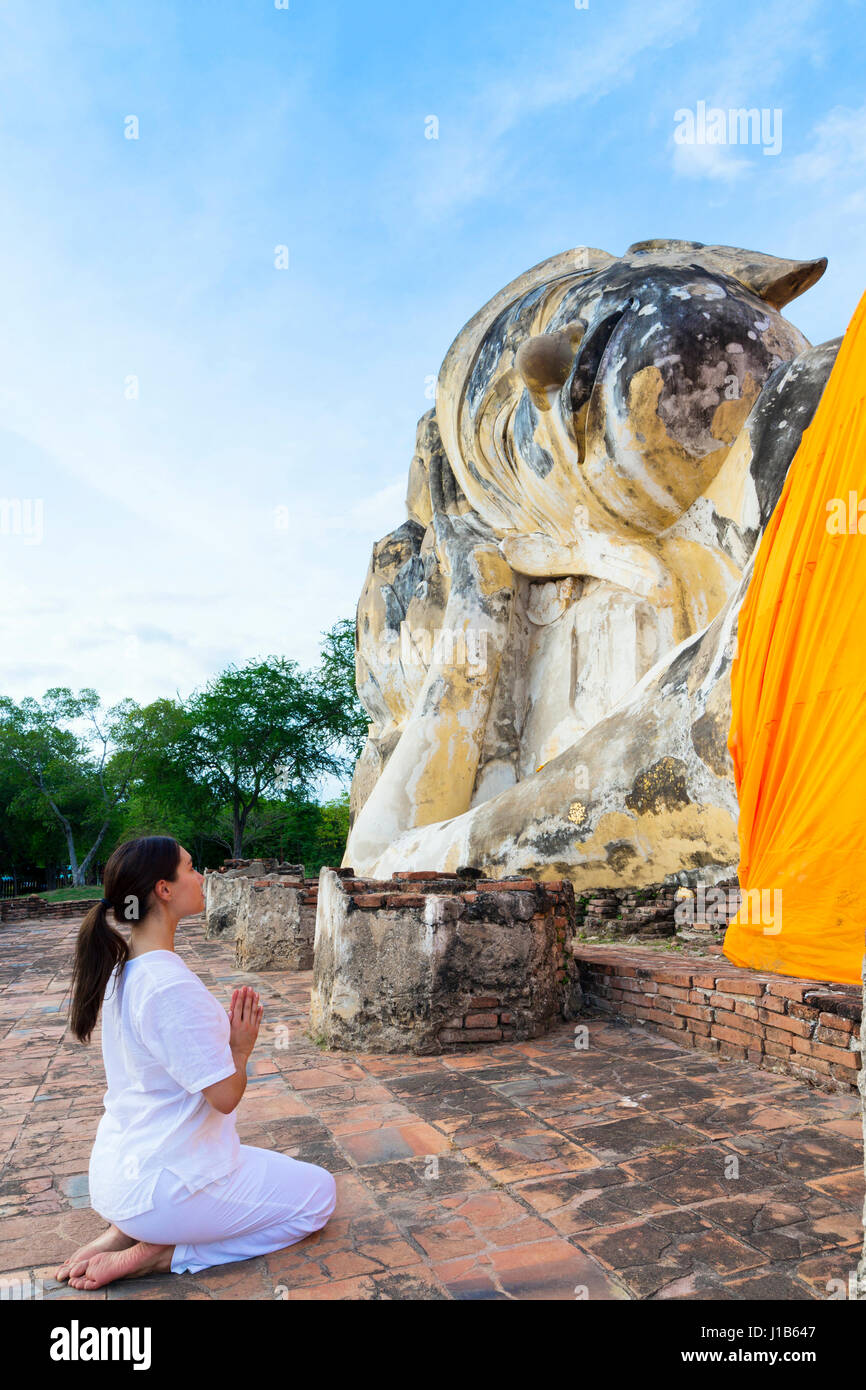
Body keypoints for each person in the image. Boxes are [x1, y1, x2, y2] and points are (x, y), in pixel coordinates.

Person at [55, 835, 337, 1290]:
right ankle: (161, 1254)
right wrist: (240, 1049)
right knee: (318, 1196)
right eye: (190, 868)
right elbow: (224, 1097)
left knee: (258, 1163)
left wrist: (218, 1042)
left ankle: (124, 1233)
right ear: (164, 889)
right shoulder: (167, 985)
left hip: (117, 1178)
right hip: (160, 1192)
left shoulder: (122, 972)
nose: (201, 876)